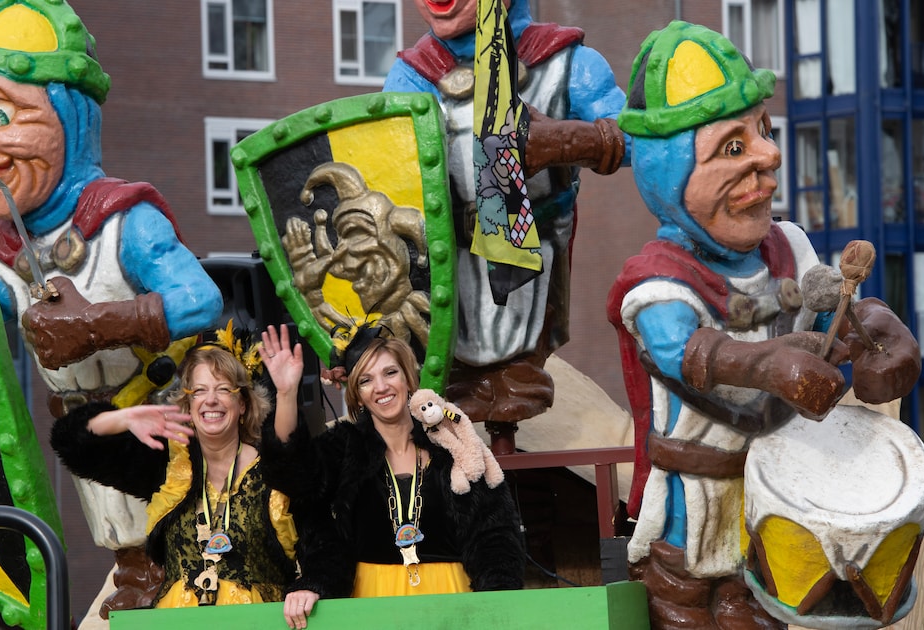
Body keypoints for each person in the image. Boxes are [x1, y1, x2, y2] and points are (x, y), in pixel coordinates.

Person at [607, 21, 921, 629]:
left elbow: (838, 314)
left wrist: (881, 329)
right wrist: (769, 366)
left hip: (779, 505)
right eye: (733, 147)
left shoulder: (790, 248)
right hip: (692, 512)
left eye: (764, 131)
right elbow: (687, 352)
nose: (768, 156)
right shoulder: (658, 284)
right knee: (685, 614)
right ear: (670, 169)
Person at [0, 0, 221, 621]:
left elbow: (199, 300)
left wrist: (95, 325)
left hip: (166, 418)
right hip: (87, 433)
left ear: (68, 118)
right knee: (125, 548)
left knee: (188, 542)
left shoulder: (124, 222)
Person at [384, 0, 627, 427]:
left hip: (534, 260)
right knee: (454, 391)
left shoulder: (564, 64)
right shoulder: (413, 74)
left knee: (516, 385)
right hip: (449, 272)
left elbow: (642, 139)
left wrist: (563, 141)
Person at [50, 325, 337, 626]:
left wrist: (310, 587)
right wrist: (122, 417)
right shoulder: (168, 465)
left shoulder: (277, 471)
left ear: (242, 404)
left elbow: (327, 548)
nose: (210, 399)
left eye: (223, 389)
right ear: (188, 404)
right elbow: (72, 445)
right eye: (199, 391)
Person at [258, 323, 525, 628]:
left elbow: (495, 535)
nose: (381, 387)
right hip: (372, 607)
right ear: (357, 394)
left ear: (408, 378)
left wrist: (495, 602)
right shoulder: (343, 449)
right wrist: (287, 394)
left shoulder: (453, 444)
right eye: (366, 380)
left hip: (451, 606)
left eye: (390, 373)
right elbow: (293, 474)